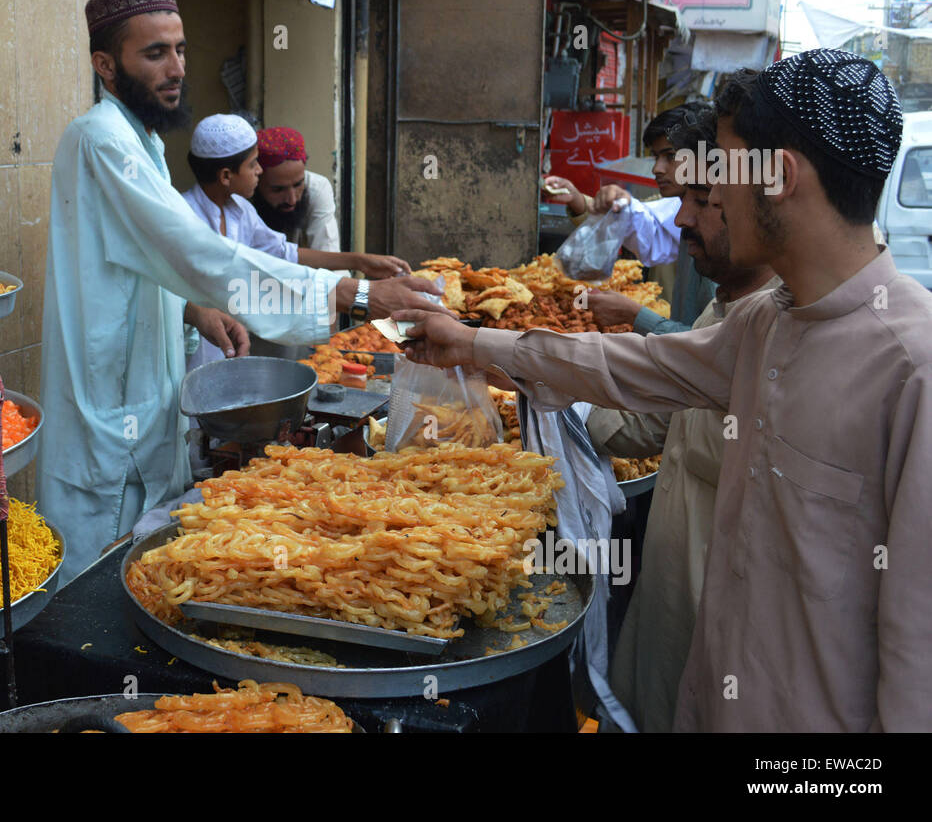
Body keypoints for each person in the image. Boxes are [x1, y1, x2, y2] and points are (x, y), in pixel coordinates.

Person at [397, 49, 932, 732]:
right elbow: (638, 368)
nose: (702, 207)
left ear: (780, 176)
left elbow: (918, 656)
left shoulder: (912, 367)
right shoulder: (766, 321)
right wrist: (473, 344)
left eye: (725, 175)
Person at [38, 0, 443, 579]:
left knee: (144, 574)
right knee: (91, 593)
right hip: (107, 411)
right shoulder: (100, 139)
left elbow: (144, 260)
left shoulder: (143, 139)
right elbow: (198, 252)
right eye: (155, 54)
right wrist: (349, 291)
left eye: (180, 49)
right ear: (106, 65)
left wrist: (191, 310)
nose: (176, 67)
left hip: (147, 401)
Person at [587, 165, 778, 732]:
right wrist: (555, 412)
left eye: (704, 203)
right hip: (666, 612)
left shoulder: (779, 329)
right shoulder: (721, 309)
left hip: (723, 634)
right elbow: (659, 423)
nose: (684, 218)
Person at [182, 114, 409, 370]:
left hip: (237, 346)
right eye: (254, 164)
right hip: (197, 350)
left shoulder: (241, 210)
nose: (259, 170)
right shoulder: (184, 217)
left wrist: (360, 260)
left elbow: (284, 253)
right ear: (226, 176)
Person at [544, 105, 717, 332]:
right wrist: (580, 200)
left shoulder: (722, 232)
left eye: (671, 156)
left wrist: (635, 316)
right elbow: (645, 225)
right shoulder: (678, 207)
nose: (657, 168)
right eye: (656, 157)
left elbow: (709, 345)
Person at [249, 127, 340, 251]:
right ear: (257, 179)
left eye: (298, 185)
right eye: (278, 189)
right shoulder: (242, 197)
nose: (292, 200)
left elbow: (328, 253)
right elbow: (249, 262)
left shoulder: (317, 188)